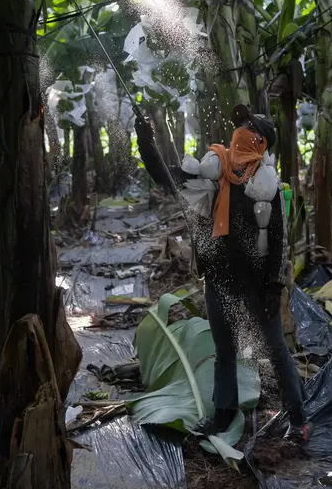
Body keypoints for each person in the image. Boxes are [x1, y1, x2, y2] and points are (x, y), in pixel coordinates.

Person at [135, 104, 311, 443]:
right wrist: (146, 140)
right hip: (219, 279)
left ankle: (300, 419)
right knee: (224, 351)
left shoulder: (266, 186)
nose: (240, 129)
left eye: (249, 126)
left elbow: (278, 241)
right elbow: (165, 175)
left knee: (275, 349)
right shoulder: (212, 172)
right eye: (240, 122)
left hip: (259, 285)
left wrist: (275, 287)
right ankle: (223, 416)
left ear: (261, 142)